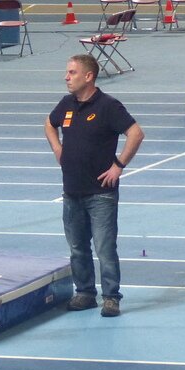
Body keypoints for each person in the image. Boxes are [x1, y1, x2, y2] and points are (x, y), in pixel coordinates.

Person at [44, 54, 144, 318]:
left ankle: (111, 297)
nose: (66, 77)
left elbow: (136, 133)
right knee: (77, 247)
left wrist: (119, 165)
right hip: (72, 191)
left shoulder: (108, 106)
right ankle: (85, 293)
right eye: (67, 72)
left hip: (101, 194)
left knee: (104, 247)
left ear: (88, 76)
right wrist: (58, 149)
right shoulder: (66, 104)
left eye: (72, 73)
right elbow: (49, 123)